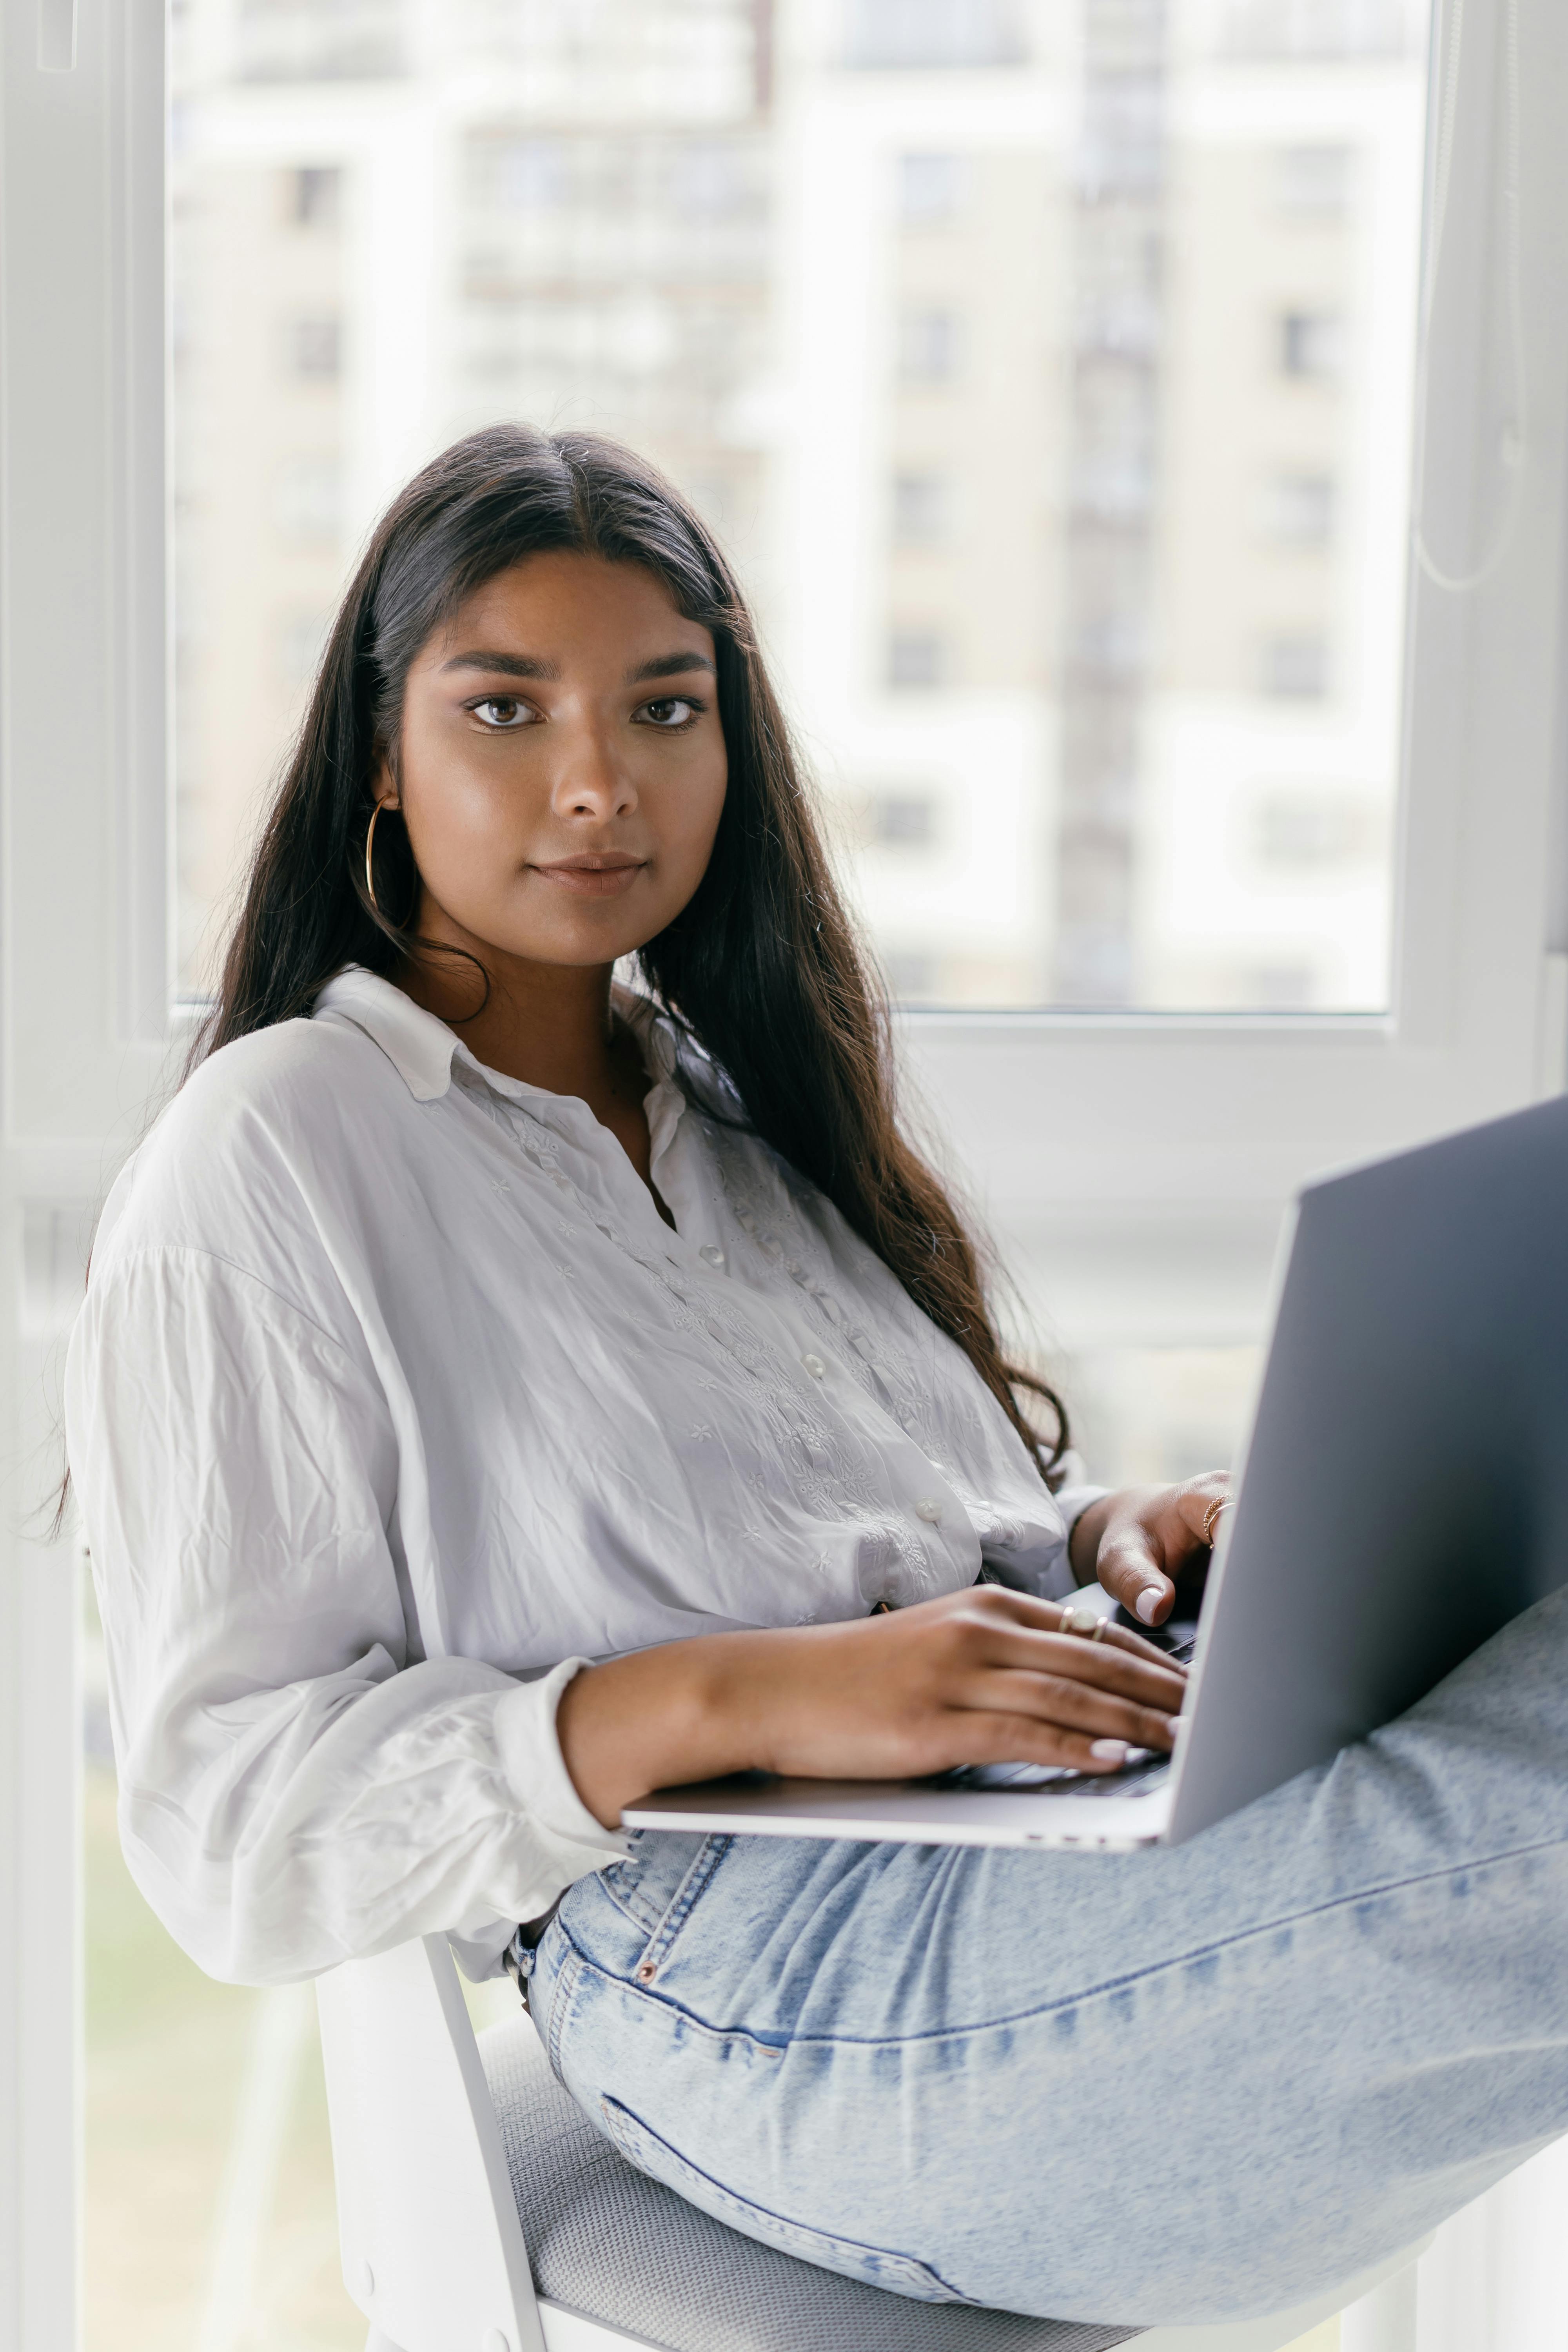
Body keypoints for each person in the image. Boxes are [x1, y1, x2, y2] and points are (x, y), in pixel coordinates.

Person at [65, 426, 1568, 2327]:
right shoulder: (282, 1144)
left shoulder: (741, 1125)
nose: (600, 781)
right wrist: (738, 1693)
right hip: (753, 1978)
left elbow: (899, 1540)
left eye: (665, 708)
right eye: (505, 708)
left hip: (1028, 1841)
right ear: (382, 755)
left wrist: (1110, 1539)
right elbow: (232, 1833)